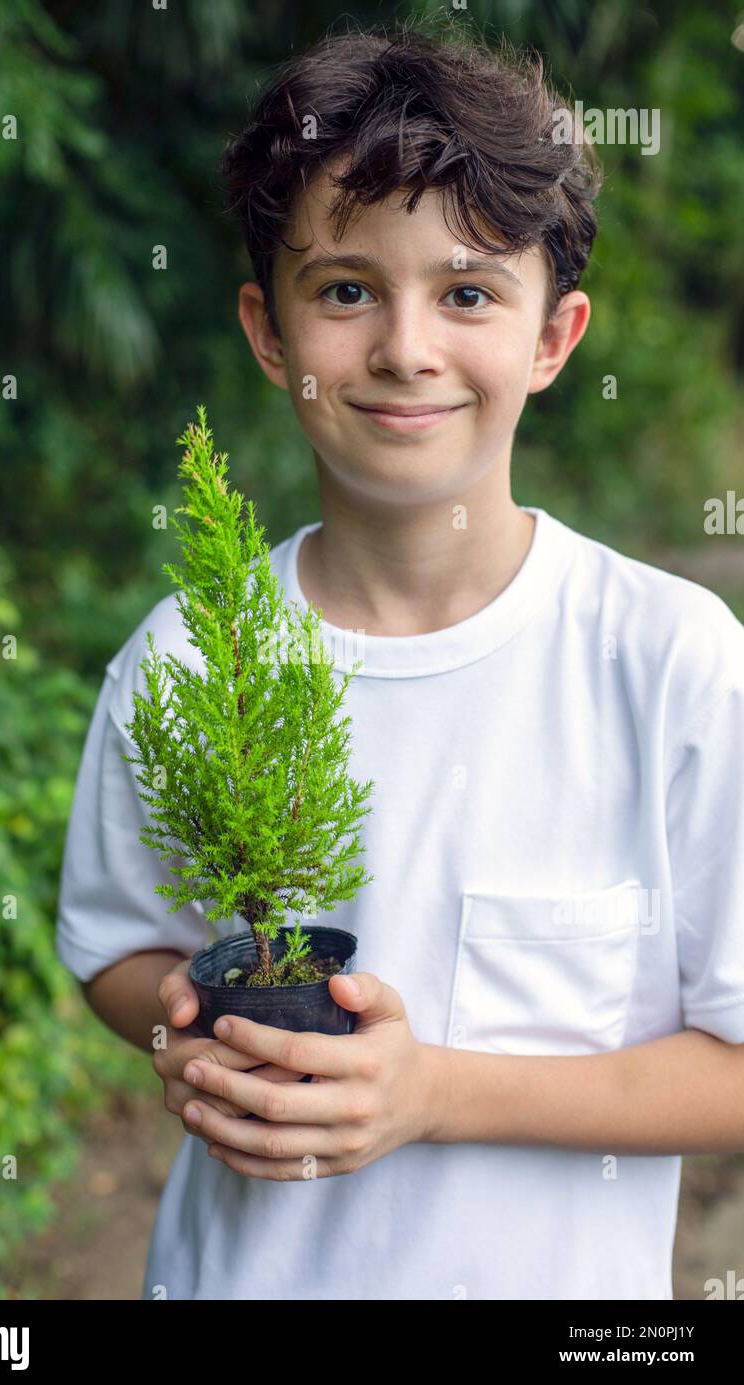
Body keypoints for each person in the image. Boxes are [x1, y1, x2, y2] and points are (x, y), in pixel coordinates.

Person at [56, 23, 744, 1300]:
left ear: (552, 338)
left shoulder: (672, 665)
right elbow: (117, 950)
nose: (405, 348)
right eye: (345, 288)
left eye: (468, 290)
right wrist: (189, 1031)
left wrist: (431, 1093)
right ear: (270, 334)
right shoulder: (188, 657)